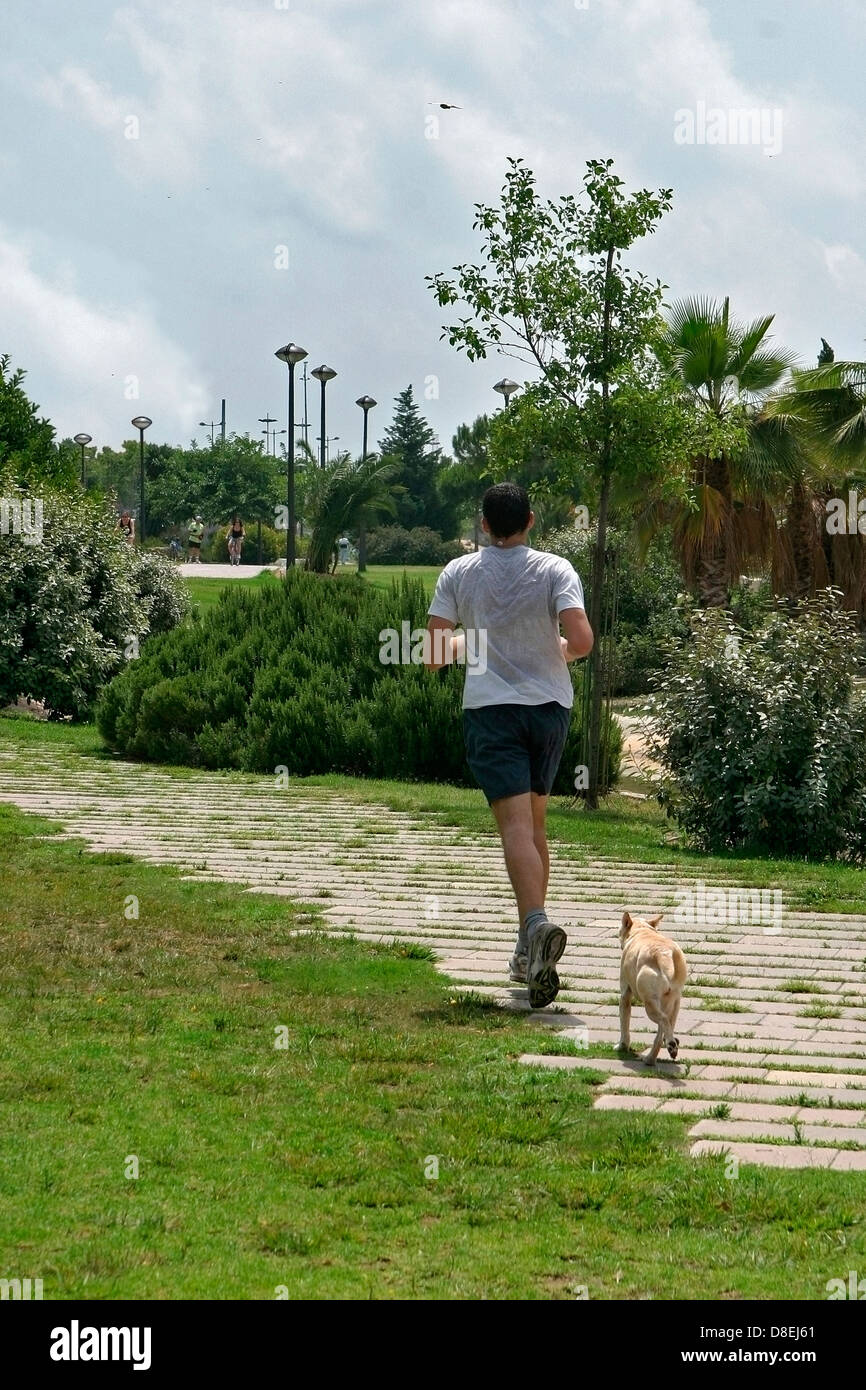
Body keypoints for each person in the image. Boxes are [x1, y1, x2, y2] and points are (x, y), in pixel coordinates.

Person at [425, 482, 593, 1009]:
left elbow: (432, 653)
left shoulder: (459, 573)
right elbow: (582, 641)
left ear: (483, 523)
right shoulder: (555, 569)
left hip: (491, 712)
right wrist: (555, 652)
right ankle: (528, 951)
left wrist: (467, 644)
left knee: (515, 828)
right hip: (549, 710)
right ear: (531, 520)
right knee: (536, 825)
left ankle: (536, 925)